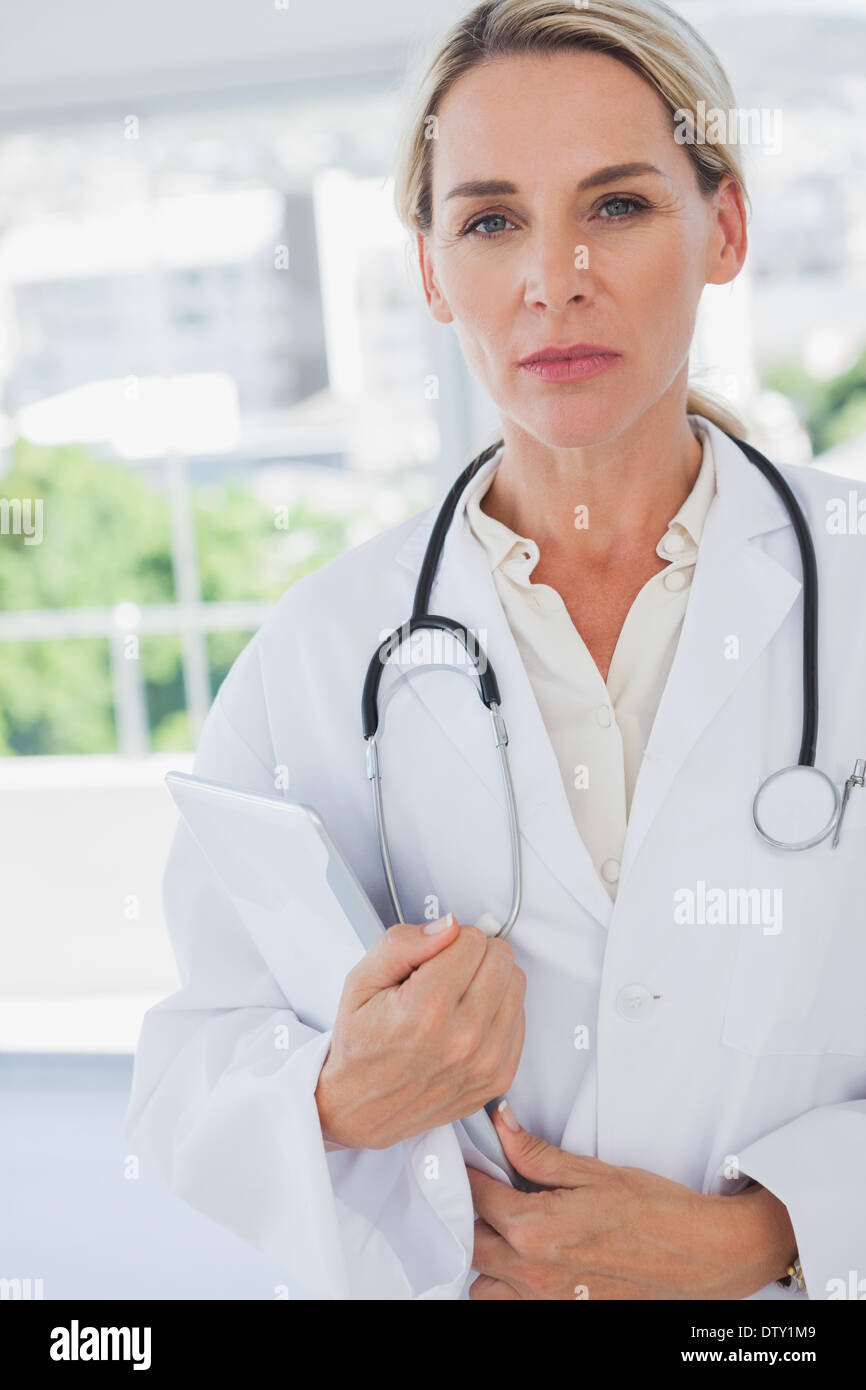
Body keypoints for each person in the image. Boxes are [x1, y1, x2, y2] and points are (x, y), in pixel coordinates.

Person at [125, 0, 866, 1300]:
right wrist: (338, 1094)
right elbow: (192, 1070)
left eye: (617, 205)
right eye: (488, 221)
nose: (553, 277)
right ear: (428, 270)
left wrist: (773, 1234)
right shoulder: (320, 652)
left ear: (726, 227)